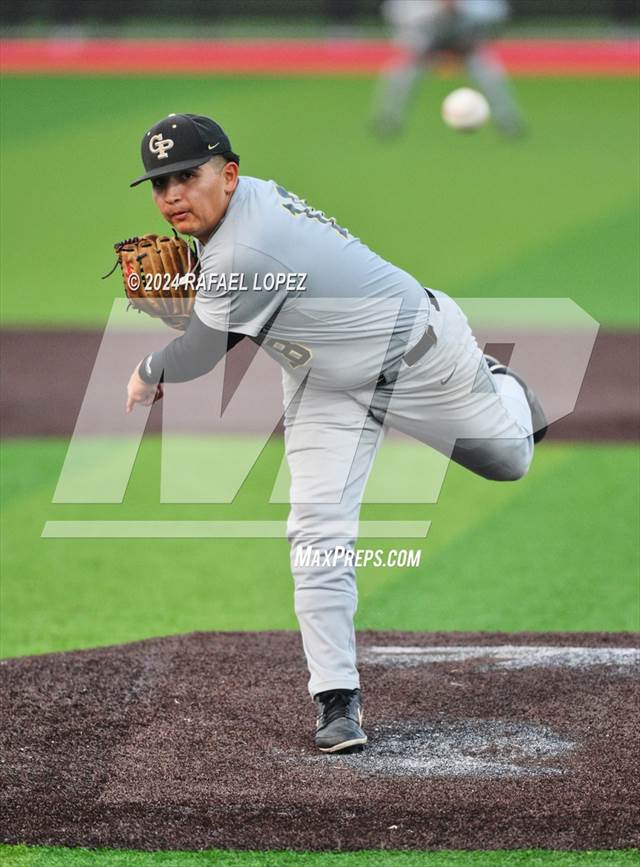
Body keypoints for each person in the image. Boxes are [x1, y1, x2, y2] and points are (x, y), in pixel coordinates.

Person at [126, 113, 546, 754]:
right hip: (322, 383)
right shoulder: (241, 212)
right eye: (160, 184)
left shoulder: (247, 245)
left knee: (511, 460)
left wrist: (150, 365)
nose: (173, 194)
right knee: (317, 529)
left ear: (229, 174)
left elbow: (204, 355)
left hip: (423, 361)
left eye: (188, 176)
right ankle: (336, 699)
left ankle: (504, 383)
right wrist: (209, 307)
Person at [373, 0, 525, 137]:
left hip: (465, 46)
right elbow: (404, 32)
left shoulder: (478, 6)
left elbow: (493, 22)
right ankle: (388, 119)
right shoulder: (415, 6)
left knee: (490, 74)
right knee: (400, 74)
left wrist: (468, 44)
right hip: (427, 46)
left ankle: (507, 120)